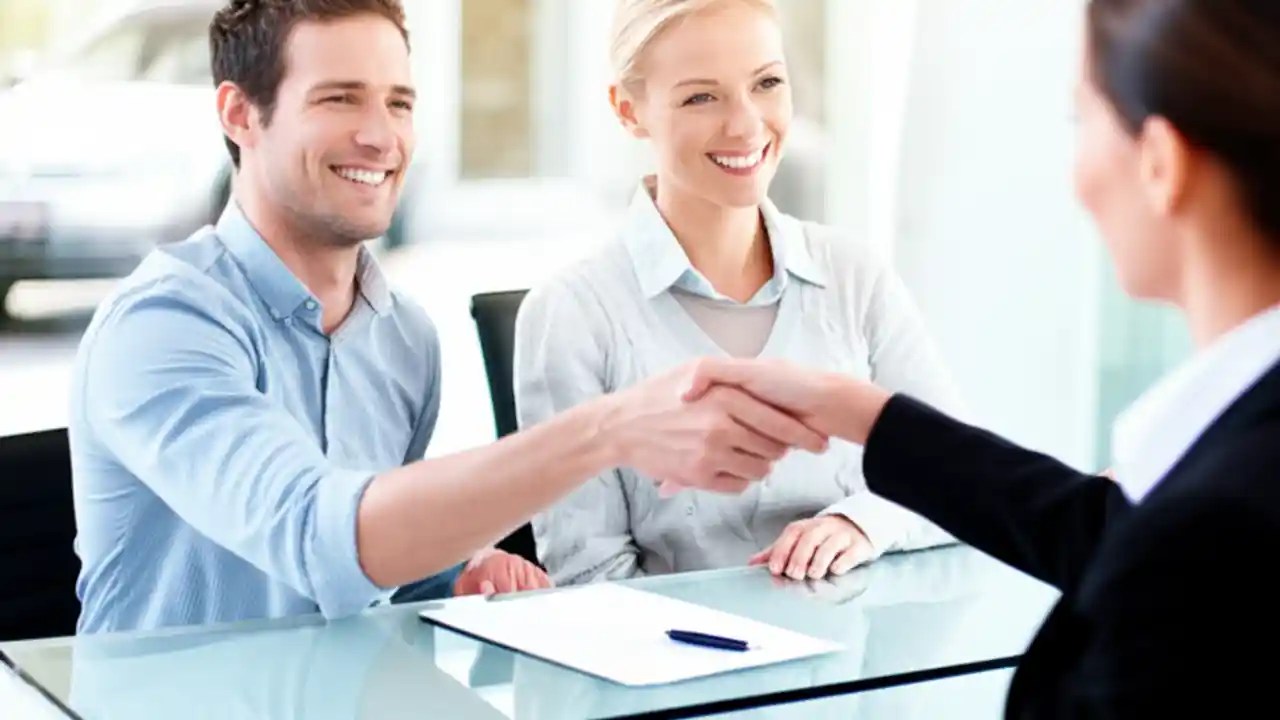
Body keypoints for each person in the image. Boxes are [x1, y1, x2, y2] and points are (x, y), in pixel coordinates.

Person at [67, 0, 826, 635]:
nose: (380, 136)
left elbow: (381, 579)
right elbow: (317, 538)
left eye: (399, 102)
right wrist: (609, 429)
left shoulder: (402, 337)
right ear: (240, 114)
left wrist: (461, 572)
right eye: (339, 99)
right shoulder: (163, 324)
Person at [685, 0, 1280, 713]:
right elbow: (1104, 530)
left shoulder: (1214, 530)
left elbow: (1165, 560)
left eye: (1081, 121)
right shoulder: (1238, 467)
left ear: (1161, 163)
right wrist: (865, 416)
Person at [515, 0, 963, 586]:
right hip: (673, 644)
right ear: (629, 110)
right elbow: (590, 574)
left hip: (857, 640)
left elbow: (959, 480)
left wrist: (861, 524)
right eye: (702, 97)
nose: (746, 125)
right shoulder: (571, 314)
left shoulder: (855, 277)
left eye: (767, 83)